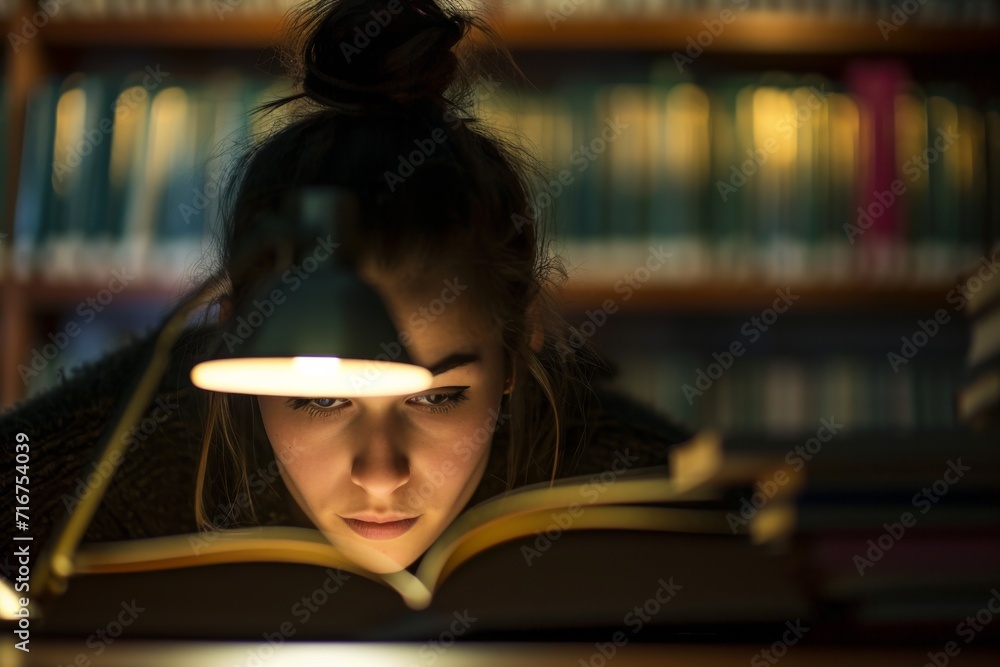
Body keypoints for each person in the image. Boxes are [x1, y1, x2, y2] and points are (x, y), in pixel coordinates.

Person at [0, 0, 689, 574]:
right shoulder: (114, 449)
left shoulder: (619, 477)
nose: (382, 474)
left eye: (438, 396)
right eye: (323, 394)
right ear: (241, 334)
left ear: (518, 350)